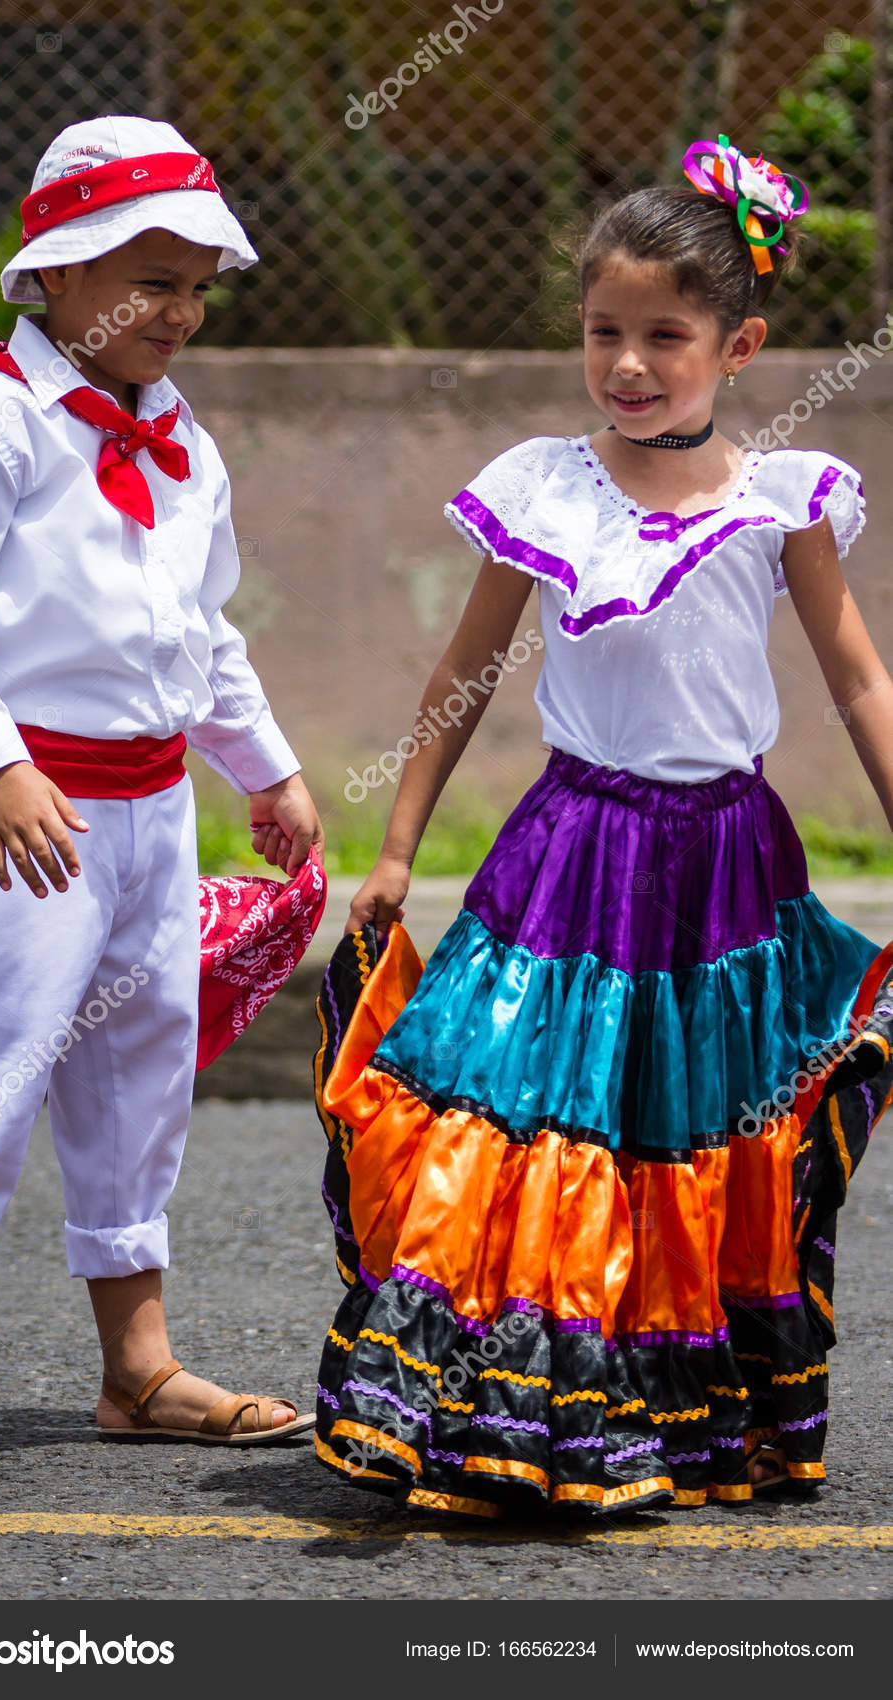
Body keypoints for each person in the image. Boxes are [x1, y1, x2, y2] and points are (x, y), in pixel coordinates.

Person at [312, 135, 893, 1517]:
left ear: (739, 344)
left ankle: (677, 1421)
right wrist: (396, 846)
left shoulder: (781, 504)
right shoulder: (545, 488)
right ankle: (497, 1416)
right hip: (572, 857)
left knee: (693, 1137)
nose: (629, 363)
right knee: (527, 1123)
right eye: (603, 332)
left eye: (665, 337)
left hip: (726, 872)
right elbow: (458, 679)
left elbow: (859, 675)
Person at [0, 116, 324, 1487]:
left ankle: (139, 1367)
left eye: (196, 287)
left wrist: (267, 767)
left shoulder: (184, 441)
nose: (178, 311)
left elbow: (205, 634)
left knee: (141, 1078)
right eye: (148, 279)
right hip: (29, 820)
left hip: (151, 815)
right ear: (54, 273)